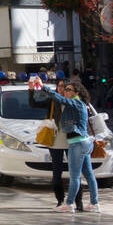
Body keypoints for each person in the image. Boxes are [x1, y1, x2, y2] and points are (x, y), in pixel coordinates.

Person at [36, 76, 101, 213]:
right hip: (84, 142)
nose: (65, 91)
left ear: (76, 92)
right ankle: (94, 203)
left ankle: (69, 203)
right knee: (88, 174)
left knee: (75, 176)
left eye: (68, 89)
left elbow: (60, 99)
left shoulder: (76, 103)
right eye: (65, 89)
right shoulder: (79, 103)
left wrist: (44, 87)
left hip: (77, 144)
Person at [29, 77, 81, 211]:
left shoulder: (73, 102)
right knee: (57, 173)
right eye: (59, 86)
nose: (62, 89)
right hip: (56, 142)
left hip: (72, 142)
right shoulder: (53, 101)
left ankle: (78, 202)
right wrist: (30, 90)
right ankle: (60, 201)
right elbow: (34, 104)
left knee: (75, 173)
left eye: (65, 87)